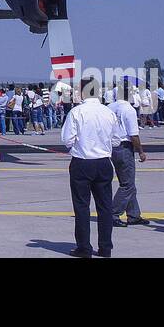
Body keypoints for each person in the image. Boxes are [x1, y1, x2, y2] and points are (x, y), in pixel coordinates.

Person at [61, 76, 120, 258]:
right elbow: (116, 140)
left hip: (82, 162)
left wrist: (80, 144)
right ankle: (105, 247)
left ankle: (84, 247)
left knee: (81, 207)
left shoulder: (76, 112)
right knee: (105, 207)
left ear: (82, 92)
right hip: (103, 162)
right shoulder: (108, 112)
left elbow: (67, 140)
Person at [109, 81, 149, 228]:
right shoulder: (129, 110)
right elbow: (134, 135)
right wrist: (141, 151)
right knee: (127, 185)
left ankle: (133, 215)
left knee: (128, 182)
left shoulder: (109, 108)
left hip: (112, 147)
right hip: (124, 147)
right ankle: (113, 213)